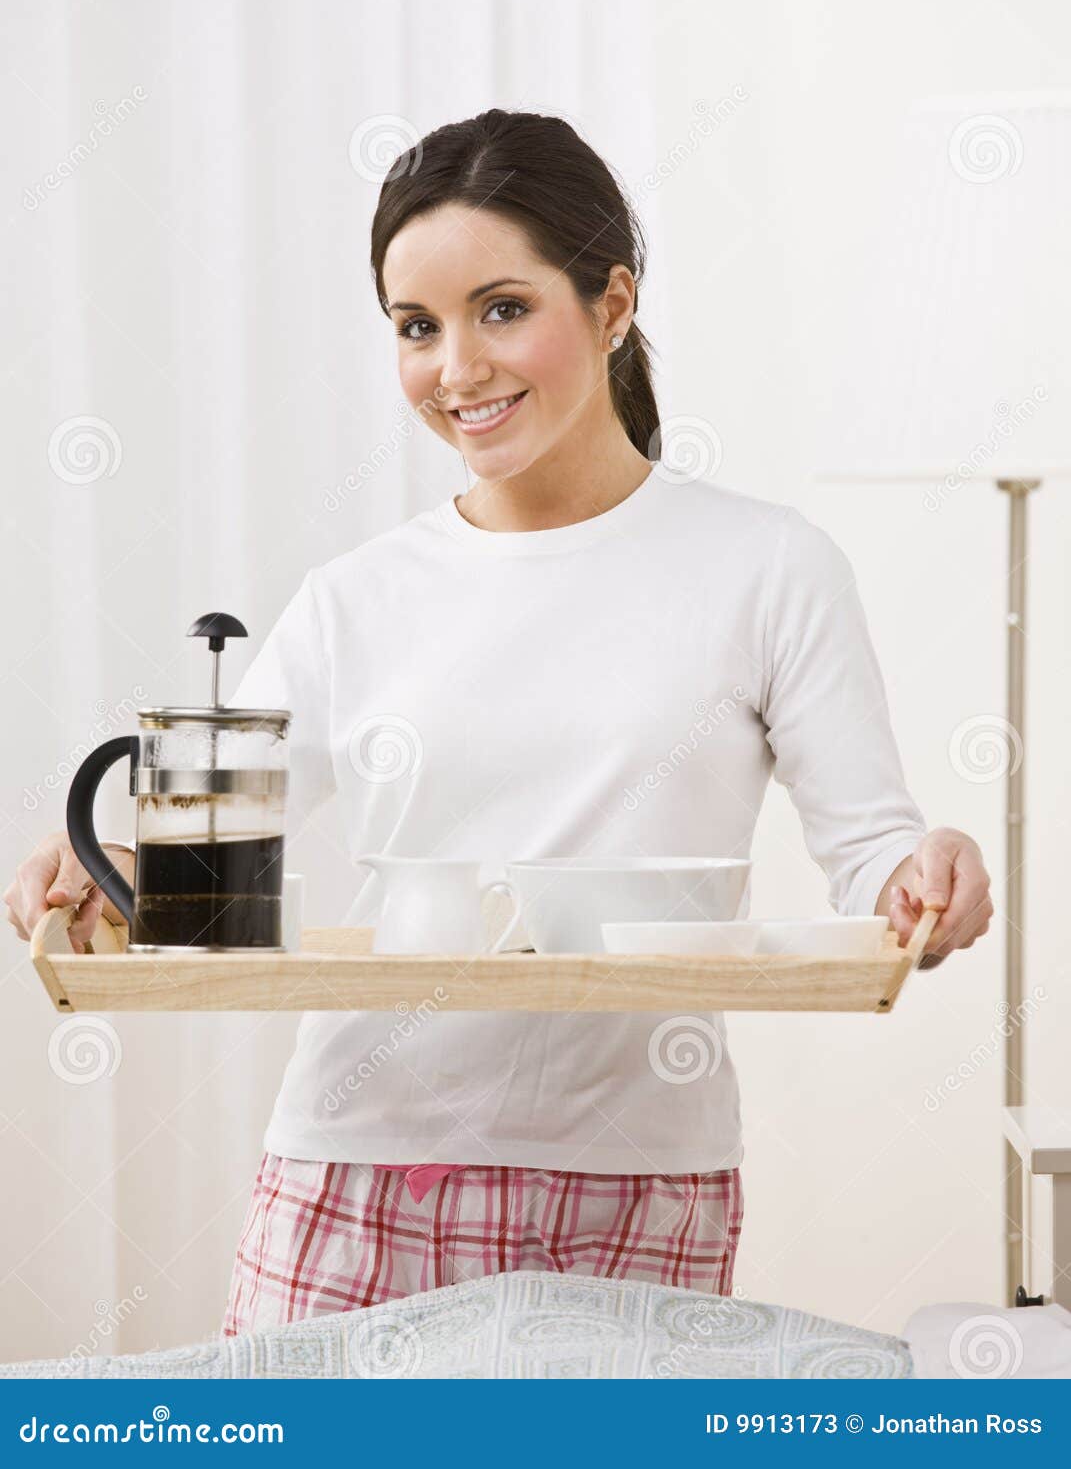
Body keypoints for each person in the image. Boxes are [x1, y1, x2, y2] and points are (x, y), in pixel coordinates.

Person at [5, 109, 994, 1337]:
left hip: (641, 1185)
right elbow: (198, 867)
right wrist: (103, 878)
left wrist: (930, 875)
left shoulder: (769, 566)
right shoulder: (355, 598)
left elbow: (877, 866)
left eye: (502, 308)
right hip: (358, 1172)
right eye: (416, 328)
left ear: (614, 303)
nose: (457, 368)